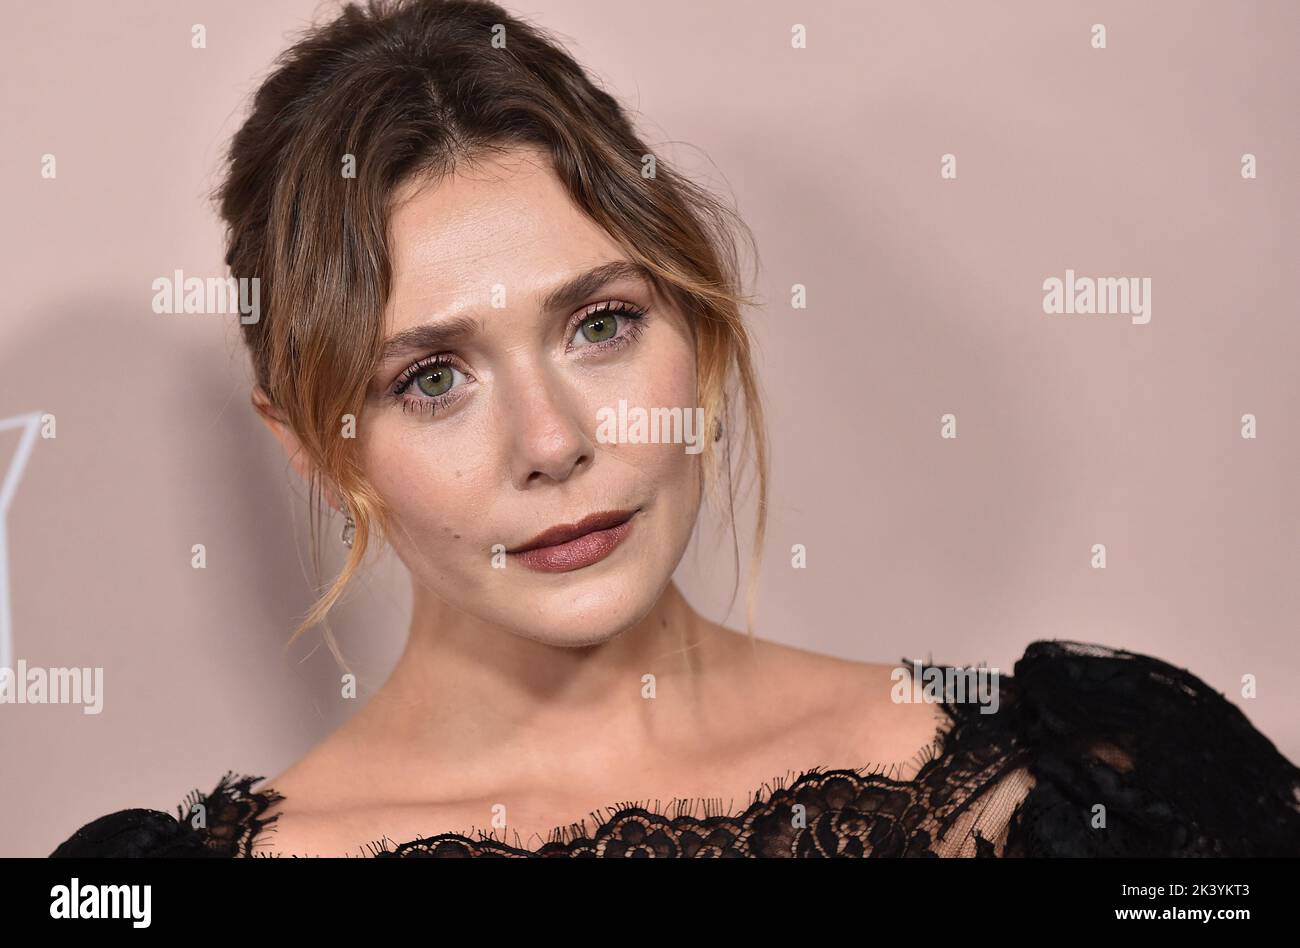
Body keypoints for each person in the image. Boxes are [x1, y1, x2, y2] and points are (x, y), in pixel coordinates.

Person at [50, 0, 1300, 858]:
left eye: (598, 323)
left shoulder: (1091, 789)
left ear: (693, 322)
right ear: (314, 445)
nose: (551, 442)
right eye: (430, 377)